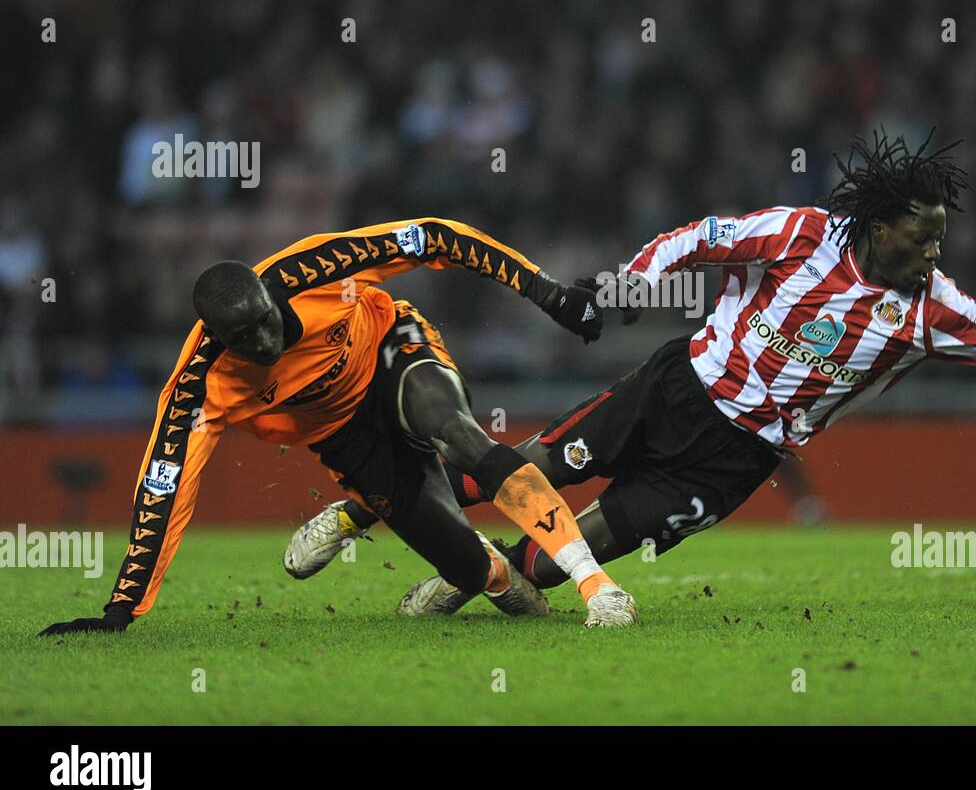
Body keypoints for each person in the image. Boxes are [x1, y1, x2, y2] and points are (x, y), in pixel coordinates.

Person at [288, 130, 976, 613]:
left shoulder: (932, 312)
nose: (932, 256)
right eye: (920, 240)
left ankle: (477, 571)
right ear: (878, 225)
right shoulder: (798, 236)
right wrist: (626, 285)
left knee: (544, 568)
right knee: (523, 460)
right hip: (675, 386)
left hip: (733, 461)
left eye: (939, 241)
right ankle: (363, 506)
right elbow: (702, 239)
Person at [39, 217, 637, 636]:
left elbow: (438, 237)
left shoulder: (312, 266)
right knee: (467, 567)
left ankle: (597, 588)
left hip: (390, 351)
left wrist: (550, 294)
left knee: (455, 430)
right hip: (341, 437)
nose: (265, 341)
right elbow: (164, 488)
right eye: (244, 341)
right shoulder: (199, 383)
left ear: (271, 298)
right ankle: (443, 548)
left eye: (266, 323)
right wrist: (123, 607)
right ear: (220, 342)